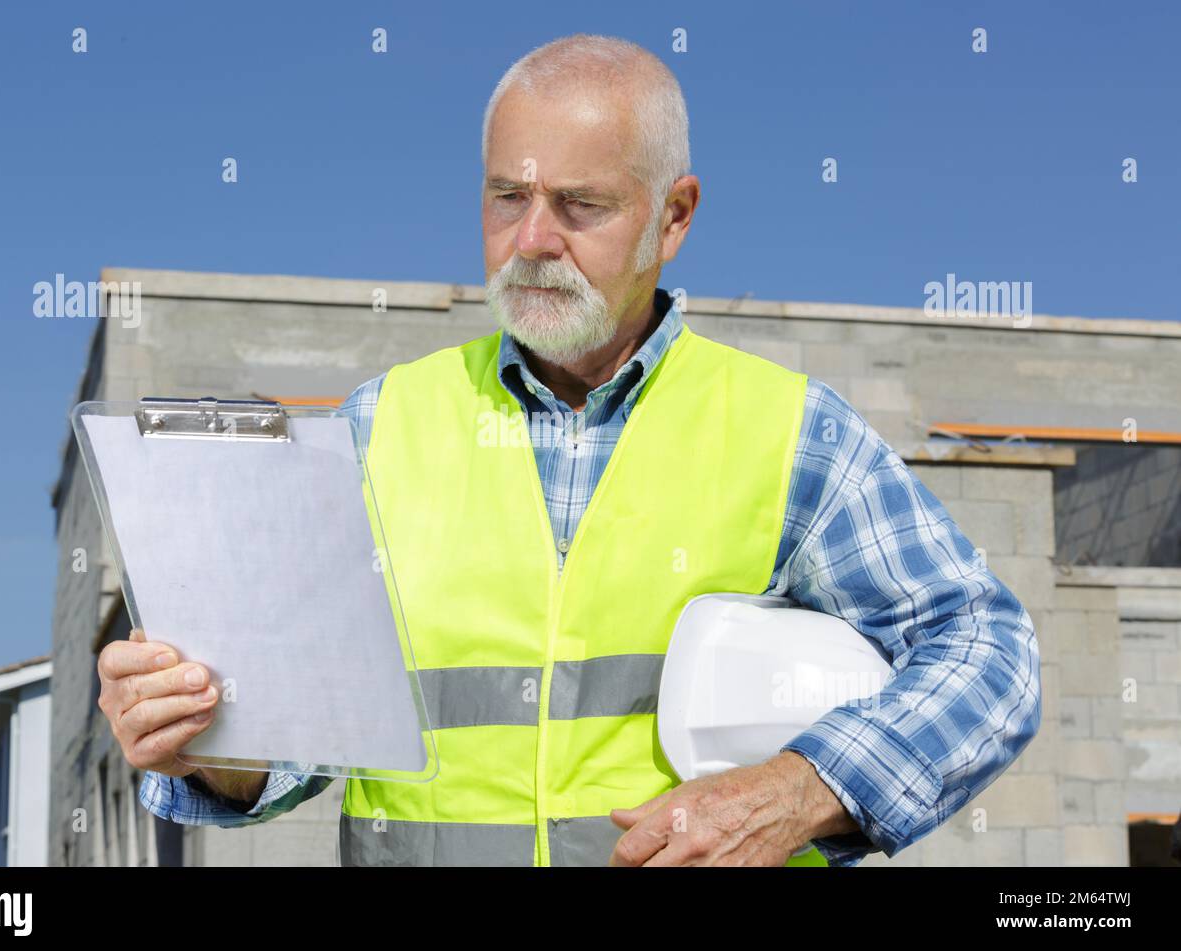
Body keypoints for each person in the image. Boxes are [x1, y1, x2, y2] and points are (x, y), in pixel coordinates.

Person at [98, 34, 1041, 867]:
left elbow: (989, 652)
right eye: (508, 196)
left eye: (580, 204)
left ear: (674, 216)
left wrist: (801, 792)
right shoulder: (377, 428)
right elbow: (294, 749)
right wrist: (200, 738)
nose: (532, 240)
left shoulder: (794, 433)